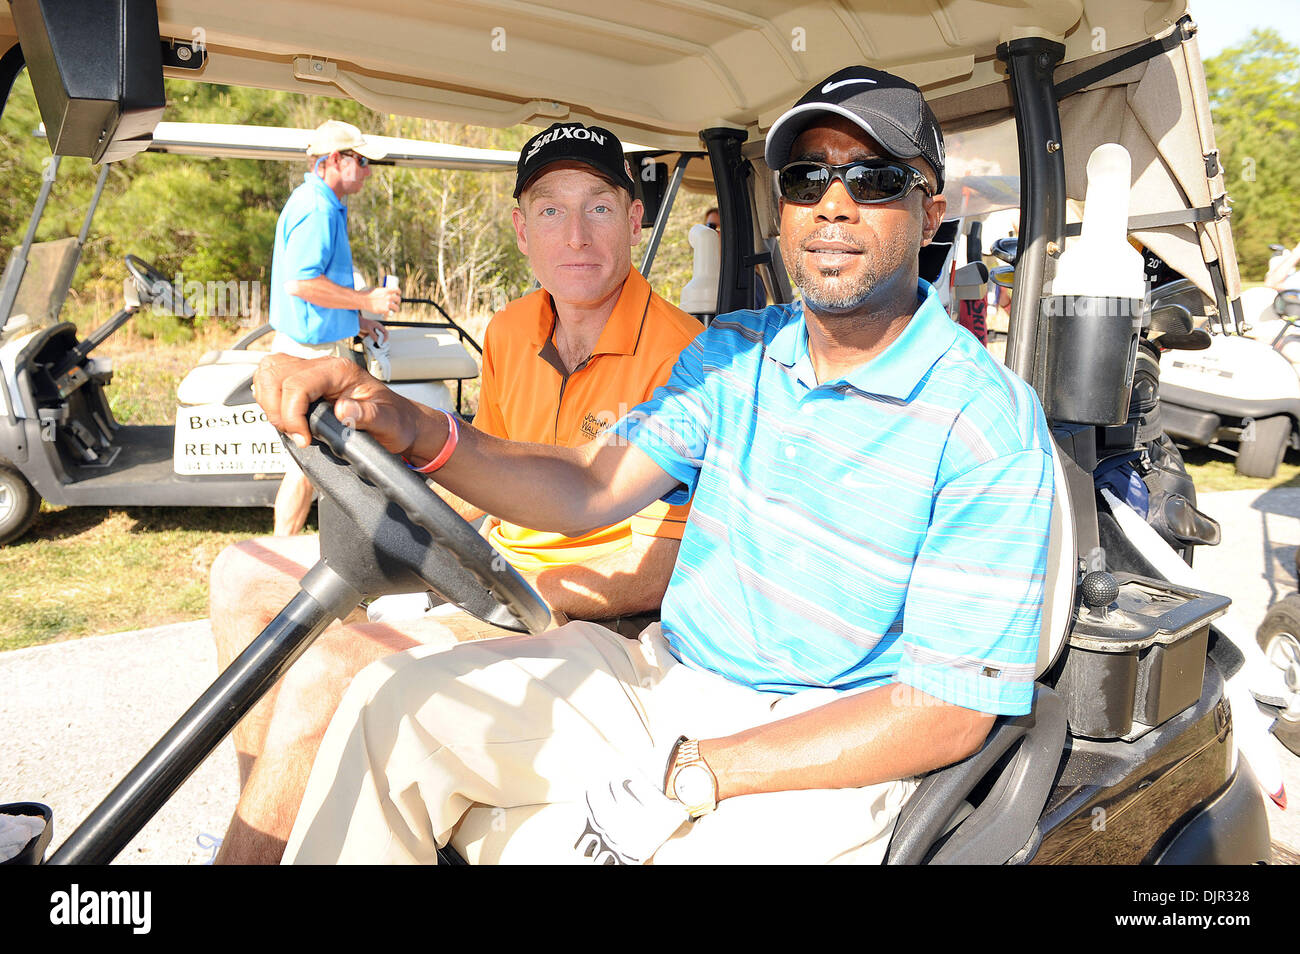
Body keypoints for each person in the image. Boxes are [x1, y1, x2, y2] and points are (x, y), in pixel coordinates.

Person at [259, 65, 1056, 865]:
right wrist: (403, 421)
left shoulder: (985, 424)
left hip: (822, 743)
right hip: (662, 681)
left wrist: (700, 770)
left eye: (875, 179)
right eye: (807, 178)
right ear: (782, 209)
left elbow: (948, 709)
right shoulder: (734, 353)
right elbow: (591, 483)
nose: (834, 204)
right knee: (386, 702)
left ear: (931, 214)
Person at [210, 121, 702, 864]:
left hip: (587, 614)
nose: (574, 234)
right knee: (242, 578)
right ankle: (268, 824)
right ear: (520, 228)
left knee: (328, 673)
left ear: (634, 221)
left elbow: (657, 567)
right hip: (492, 571)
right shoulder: (509, 330)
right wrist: (391, 504)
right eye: (548, 210)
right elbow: (484, 482)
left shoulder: (686, 355)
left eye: (598, 207)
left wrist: (521, 584)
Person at [268, 119, 402, 536]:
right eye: (361, 161)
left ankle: (287, 550)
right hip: (310, 356)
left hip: (310, 347)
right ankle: (284, 552)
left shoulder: (317, 201)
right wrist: (367, 301)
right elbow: (302, 283)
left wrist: (355, 320)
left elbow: (315, 285)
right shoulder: (318, 207)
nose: (367, 170)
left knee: (311, 463)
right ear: (334, 160)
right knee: (312, 464)